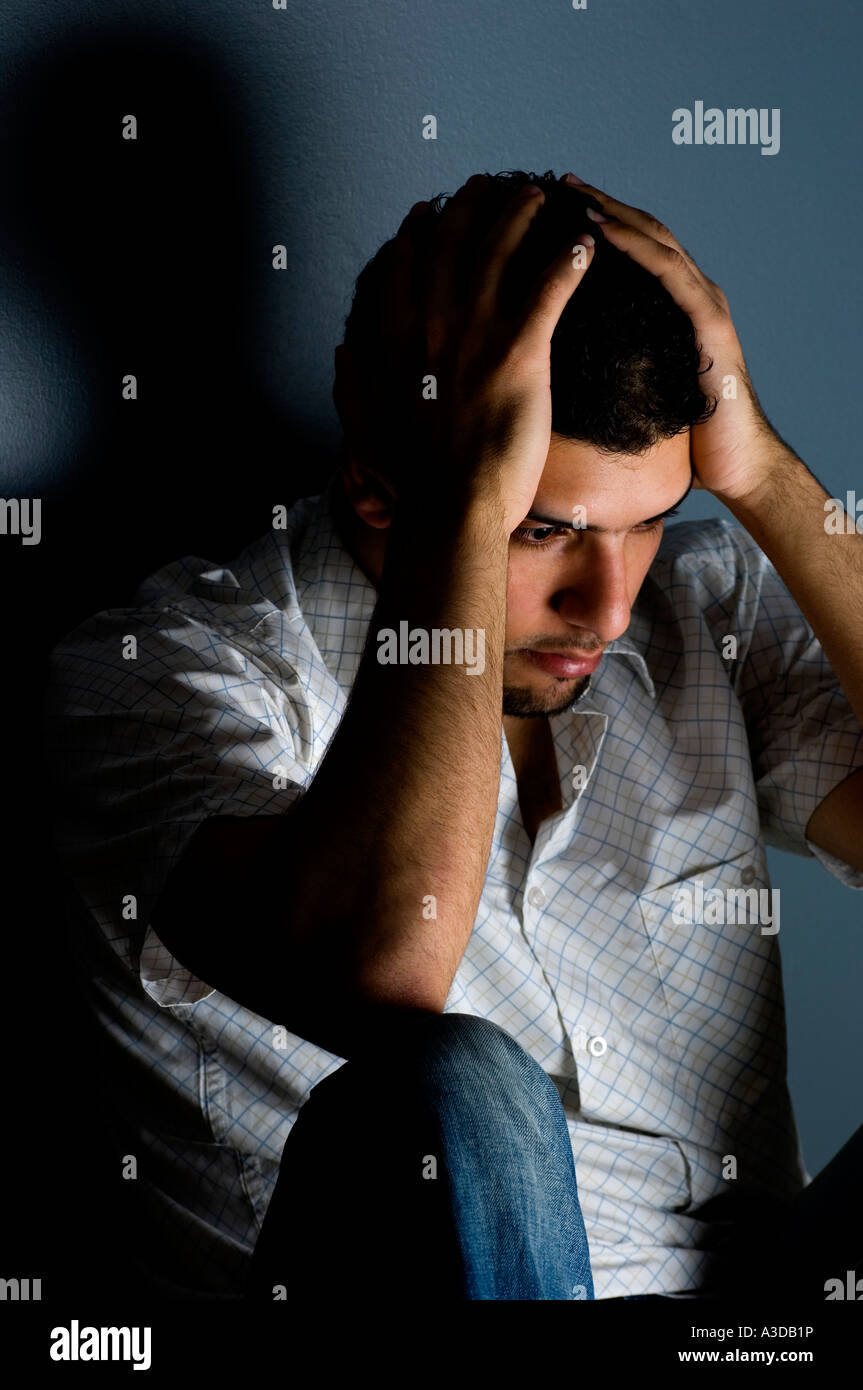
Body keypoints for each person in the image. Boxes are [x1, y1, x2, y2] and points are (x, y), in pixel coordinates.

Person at [45, 170, 863, 1302]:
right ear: (385, 488)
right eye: (544, 531)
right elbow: (386, 966)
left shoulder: (698, 614)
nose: (608, 605)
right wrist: (465, 507)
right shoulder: (162, 681)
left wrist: (764, 476)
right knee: (459, 1081)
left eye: (644, 528)